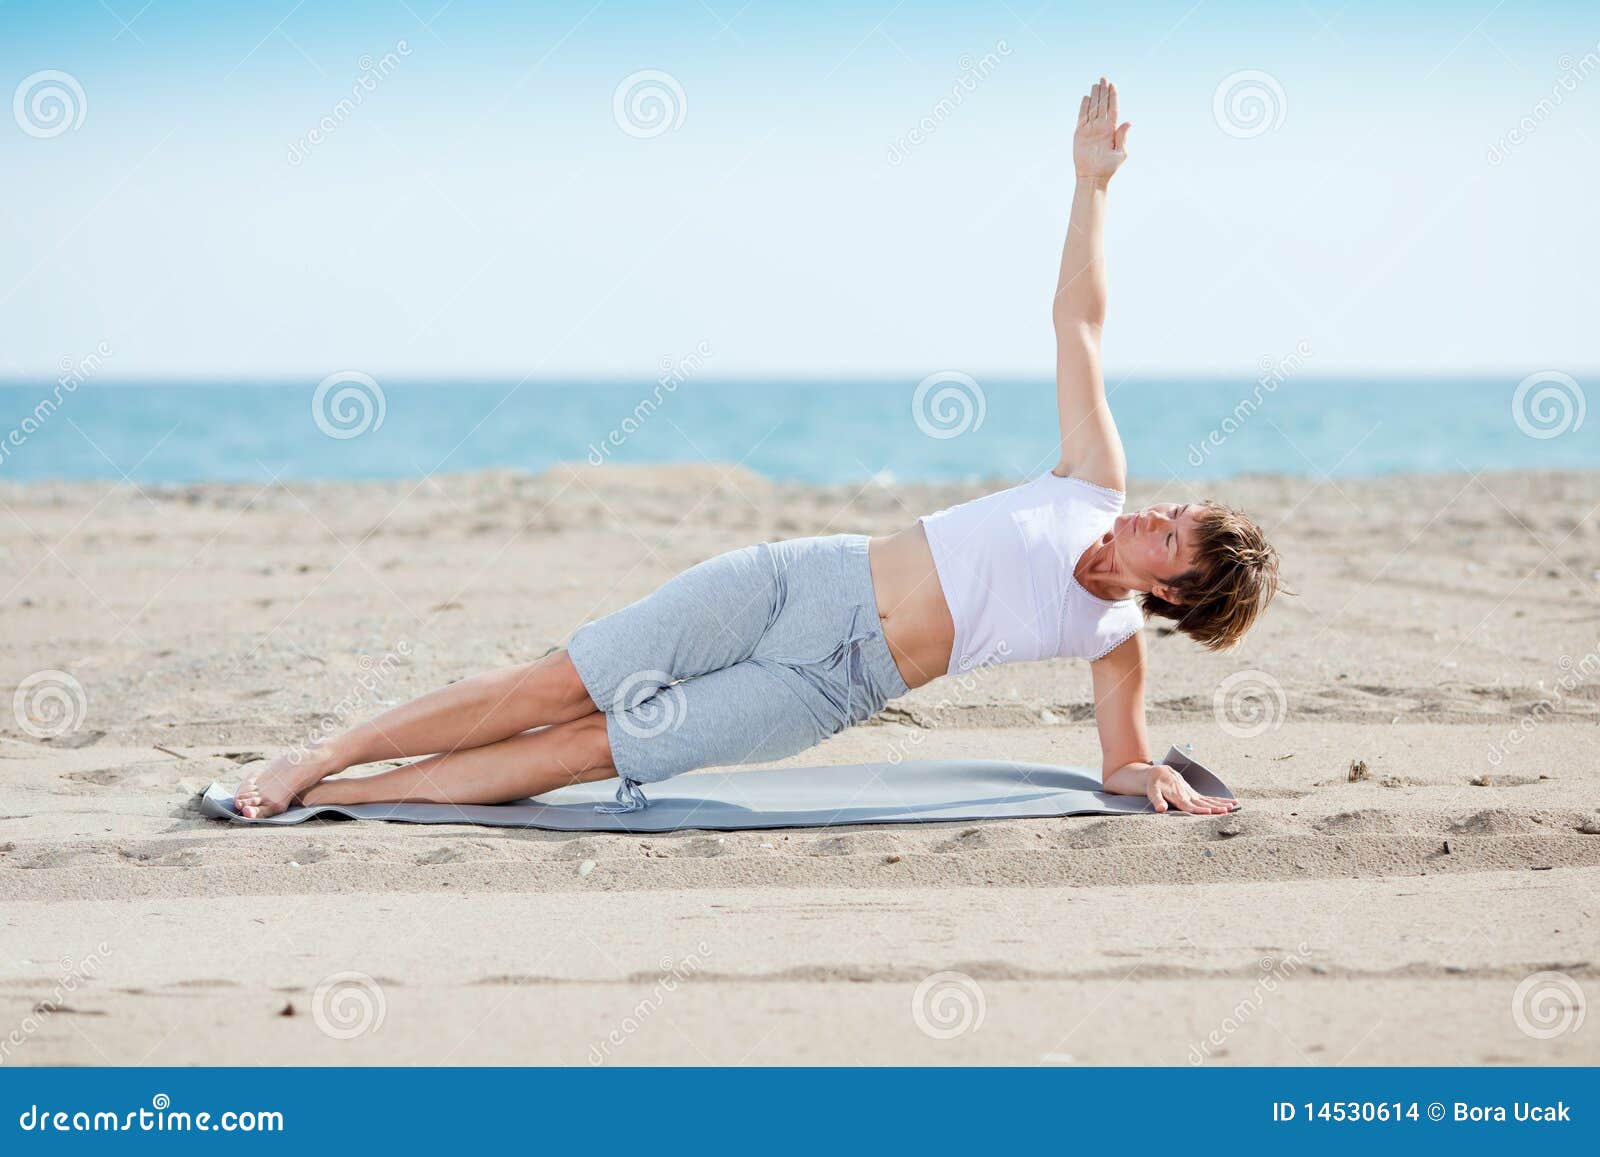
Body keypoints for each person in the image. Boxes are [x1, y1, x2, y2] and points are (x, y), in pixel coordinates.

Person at [234, 78, 1280, 822]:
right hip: (800, 583)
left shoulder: (1113, 640)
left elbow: (1120, 760)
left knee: (594, 746)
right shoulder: (1092, 474)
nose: (1155, 516)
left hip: (831, 686)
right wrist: (1091, 185)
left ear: (1177, 597)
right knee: (562, 682)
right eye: (1175, 510)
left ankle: (334, 798)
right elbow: (1077, 322)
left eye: (1172, 542)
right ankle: (321, 752)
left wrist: (1151, 779)